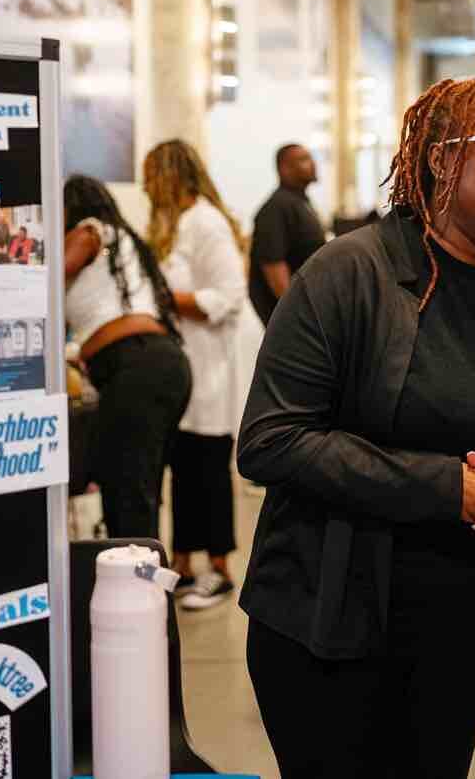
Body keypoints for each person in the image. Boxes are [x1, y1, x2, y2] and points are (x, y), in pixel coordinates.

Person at [238, 77, 475, 778]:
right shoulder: (348, 276)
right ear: (440, 158)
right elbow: (271, 438)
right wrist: (446, 488)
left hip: (463, 634)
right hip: (324, 626)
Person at [143, 140, 248, 611]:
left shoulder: (207, 222)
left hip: (210, 368)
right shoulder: (177, 225)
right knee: (183, 470)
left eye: (151, 176)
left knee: (207, 470)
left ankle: (220, 569)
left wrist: (163, 298)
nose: (146, 187)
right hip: (180, 371)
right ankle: (183, 566)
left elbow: (227, 295)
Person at [64, 175, 193, 542]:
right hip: (160, 365)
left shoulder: (91, 231)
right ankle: (148, 589)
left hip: (136, 368)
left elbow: (46, 276)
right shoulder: (124, 246)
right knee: (138, 488)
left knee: (127, 493)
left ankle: (139, 591)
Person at [248, 144, 326, 327]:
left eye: (311, 158)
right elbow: (273, 265)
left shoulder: (300, 202)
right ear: (284, 168)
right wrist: (298, 315)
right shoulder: (276, 208)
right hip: (294, 317)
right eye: (303, 159)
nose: (313, 164)